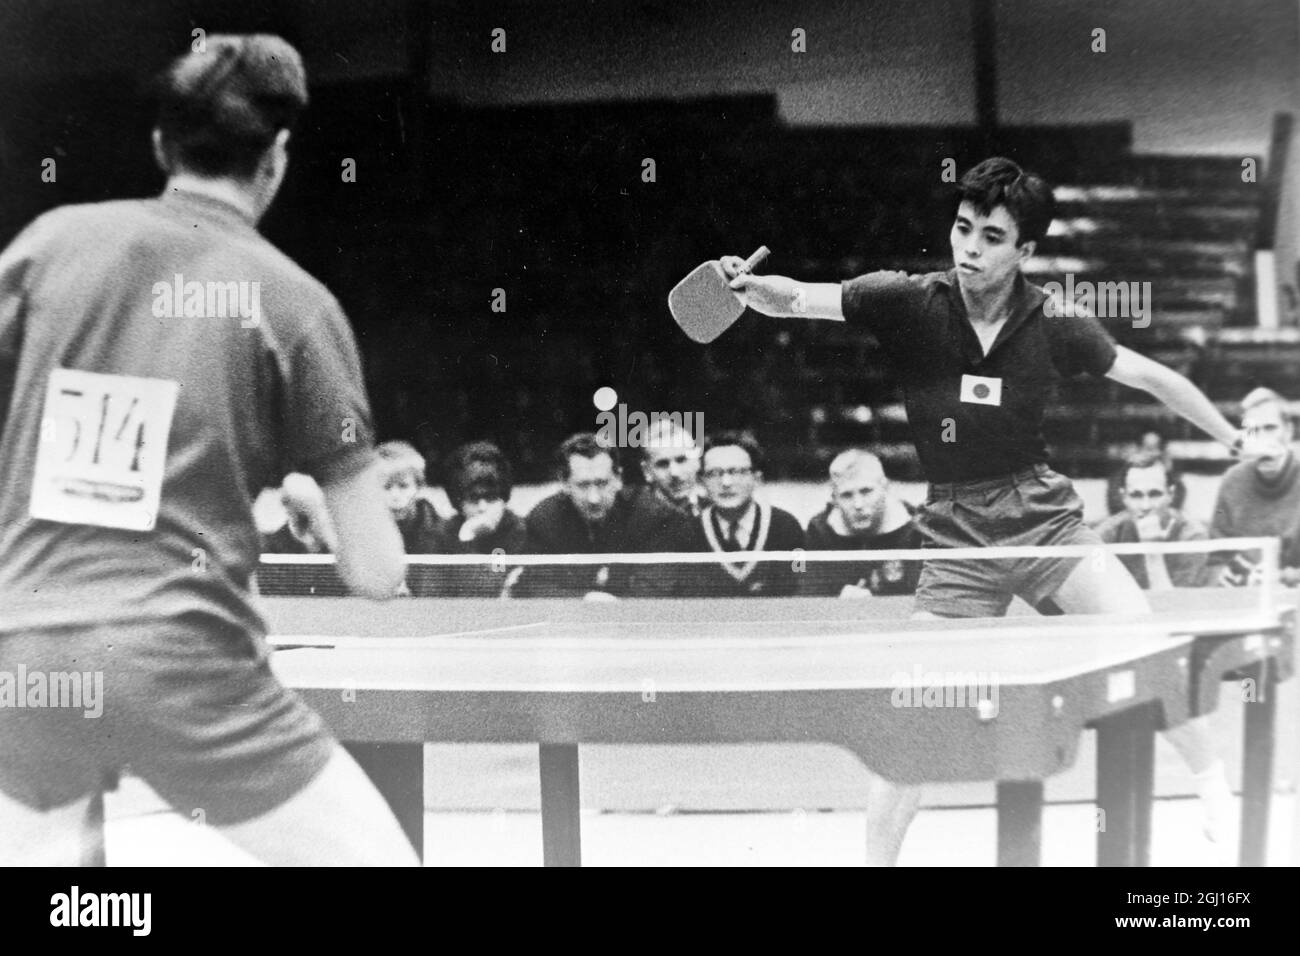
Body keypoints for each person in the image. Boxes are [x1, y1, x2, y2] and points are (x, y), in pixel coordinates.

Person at [719, 156, 1244, 863]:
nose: (969, 247)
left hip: (1042, 516)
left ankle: (1216, 791)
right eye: (963, 228)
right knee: (916, 724)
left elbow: (1151, 377)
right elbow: (798, 299)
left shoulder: (1056, 321)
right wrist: (748, 287)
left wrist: (1233, 436)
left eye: (992, 236)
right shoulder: (906, 299)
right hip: (955, 533)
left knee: (1147, 645)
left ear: (1026, 250)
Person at [0, 36, 417, 866]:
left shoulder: (46, 245)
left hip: (24, 666)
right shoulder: (299, 306)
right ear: (278, 157)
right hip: (186, 671)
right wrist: (309, 502)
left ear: (162, 145)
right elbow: (377, 574)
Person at [516, 433, 694, 598]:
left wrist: (581, 588)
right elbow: (533, 585)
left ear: (618, 479)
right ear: (564, 484)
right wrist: (587, 598)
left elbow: (653, 590)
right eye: (583, 485)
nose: (594, 498)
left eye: (602, 483)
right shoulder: (544, 518)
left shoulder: (655, 517)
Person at [687, 432, 804, 596]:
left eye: (737, 472)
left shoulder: (787, 527)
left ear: (757, 479)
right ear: (701, 481)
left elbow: (800, 581)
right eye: (714, 473)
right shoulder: (689, 532)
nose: (726, 483)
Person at [1209, 387, 1300, 588]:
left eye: (1270, 428)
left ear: (1289, 430)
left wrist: (1283, 578)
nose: (1263, 440)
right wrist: (1227, 577)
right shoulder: (1232, 481)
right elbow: (1216, 559)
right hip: (1245, 598)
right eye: (1253, 431)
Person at [802, 448, 924, 598]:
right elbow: (806, 596)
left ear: (885, 488)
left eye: (866, 491)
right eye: (846, 495)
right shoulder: (819, 532)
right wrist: (835, 600)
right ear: (834, 499)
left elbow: (927, 599)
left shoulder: (918, 531)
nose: (858, 504)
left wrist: (876, 602)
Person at [413, 441, 527, 597]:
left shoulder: (519, 531)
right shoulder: (439, 535)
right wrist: (467, 538)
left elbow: (489, 593)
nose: (482, 507)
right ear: (458, 502)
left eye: (491, 498)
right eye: (473, 499)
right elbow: (430, 596)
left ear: (504, 498)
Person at [1096, 458, 1210, 589]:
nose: (1146, 506)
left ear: (1171, 494)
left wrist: (1153, 552)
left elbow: (1178, 607)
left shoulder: (1193, 538)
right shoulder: (1105, 536)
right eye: (1136, 495)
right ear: (1123, 497)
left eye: (1155, 494)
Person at [376, 440, 441, 553]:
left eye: (403, 486)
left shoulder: (441, 530)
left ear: (419, 487)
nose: (395, 496)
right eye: (386, 487)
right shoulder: (362, 529)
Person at [1104, 428, 1187, 515]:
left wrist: (1169, 472)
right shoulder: (1123, 474)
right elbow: (1114, 505)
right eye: (1147, 448)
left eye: (1156, 448)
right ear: (1137, 449)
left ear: (1162, 451)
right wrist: (1127, 467)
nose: (1151, 454)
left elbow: (1176, 504)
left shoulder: (1167, 474)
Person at [639, 418, 706, 517]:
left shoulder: (715, 503)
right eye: (662, 464)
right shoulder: (638, 517)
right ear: (647, 471)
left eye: (682, 460)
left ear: (697, 460)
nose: (675, 473)